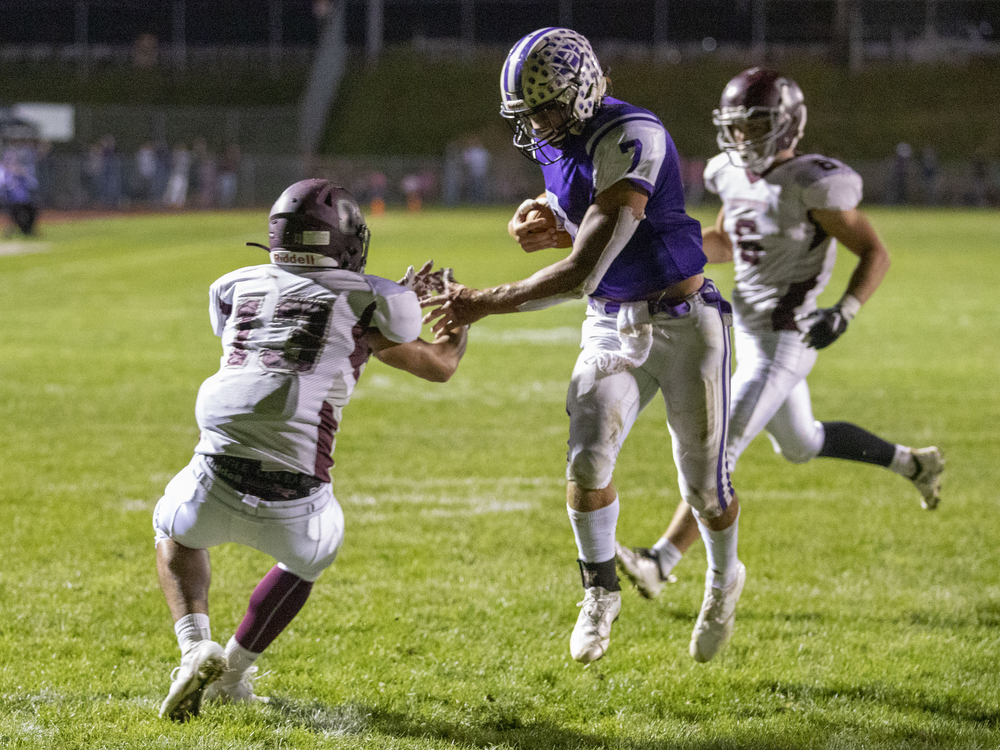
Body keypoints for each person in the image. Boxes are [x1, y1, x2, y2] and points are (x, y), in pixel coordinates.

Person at [423, 28, 744, 665]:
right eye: (528, 112)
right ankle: (599, 591)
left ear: (584, 90)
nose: (537, 124)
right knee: (587, 458)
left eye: (545, 108)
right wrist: (541, 213)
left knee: (704, 488)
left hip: (685, 324)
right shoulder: (560, 140)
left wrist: (481, 301)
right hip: (612, 321)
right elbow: (574, 216)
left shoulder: (633, 136)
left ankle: (722, 577)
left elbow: (581, 271)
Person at [615, 68, 945, 600]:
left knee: (718, 451)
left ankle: (660, 559)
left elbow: (875, 251)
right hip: (744, 330)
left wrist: (846, 310)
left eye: (755, 123)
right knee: (802, 442)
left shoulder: (813, 184)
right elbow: (725, 238)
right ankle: (914, 463)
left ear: (787, 125)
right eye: (737, 125)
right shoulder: (728, 173)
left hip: (787, 339)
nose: (743, 136)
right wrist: (668, 245)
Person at [153, 179, 467, 721]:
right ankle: (232, 673)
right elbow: (437, 364)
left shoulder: (231, 285)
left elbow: (288, 319)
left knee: (172, 528)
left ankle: (192, 646)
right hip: (294, 493)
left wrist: (382, 298)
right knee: (315, 550)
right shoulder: (378, 301)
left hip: (214, 475)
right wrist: (459, 317)